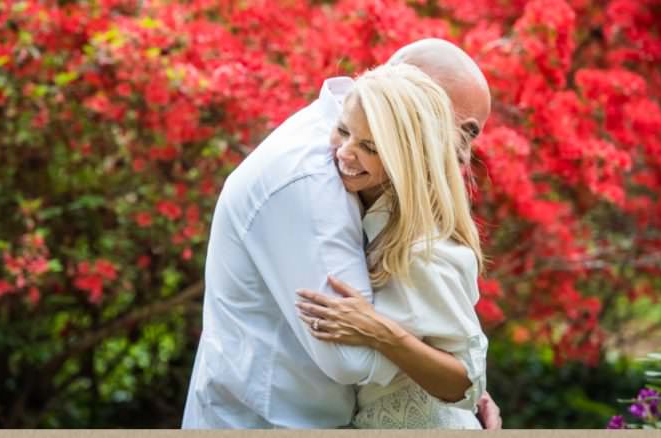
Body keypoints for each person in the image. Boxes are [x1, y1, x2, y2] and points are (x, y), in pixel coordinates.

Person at [181, 39, 500, 429]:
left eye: (470, 135)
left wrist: (451, 383)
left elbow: (460, 370)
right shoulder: (317, 179)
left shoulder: (415, 234)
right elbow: (348, 360)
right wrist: (444, 375)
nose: (463, 152)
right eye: (462, 129)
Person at [295, 62, 488, 428]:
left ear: (407, 158)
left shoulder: (423, 250)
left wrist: (381, 332)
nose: (345, 153)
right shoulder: (355, 207)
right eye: (343, 131)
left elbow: (467, 384)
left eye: (369, 146)